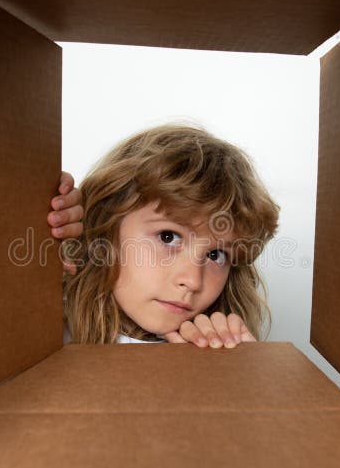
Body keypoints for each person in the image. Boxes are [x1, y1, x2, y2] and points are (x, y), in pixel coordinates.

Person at [56, 125, 279, 348]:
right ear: (105, 224)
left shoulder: (215, 352)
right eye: (168, 237)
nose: (192, 281)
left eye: (216, 254)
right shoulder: (46, 325)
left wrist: (242, 371)